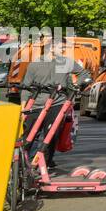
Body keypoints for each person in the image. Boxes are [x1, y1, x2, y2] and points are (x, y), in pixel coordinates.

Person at [20, 41, 84, 169]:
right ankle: (22, 163)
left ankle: (46, 162)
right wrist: (23, 108)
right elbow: (26, 87)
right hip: (36, 105)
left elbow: (83, 73)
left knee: (51, 134)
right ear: (52, 49)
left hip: (57, 104)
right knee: (29, 135)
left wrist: (76, 86)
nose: (64, 50)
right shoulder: (35, 65)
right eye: (61, 48)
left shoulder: (67, 62)